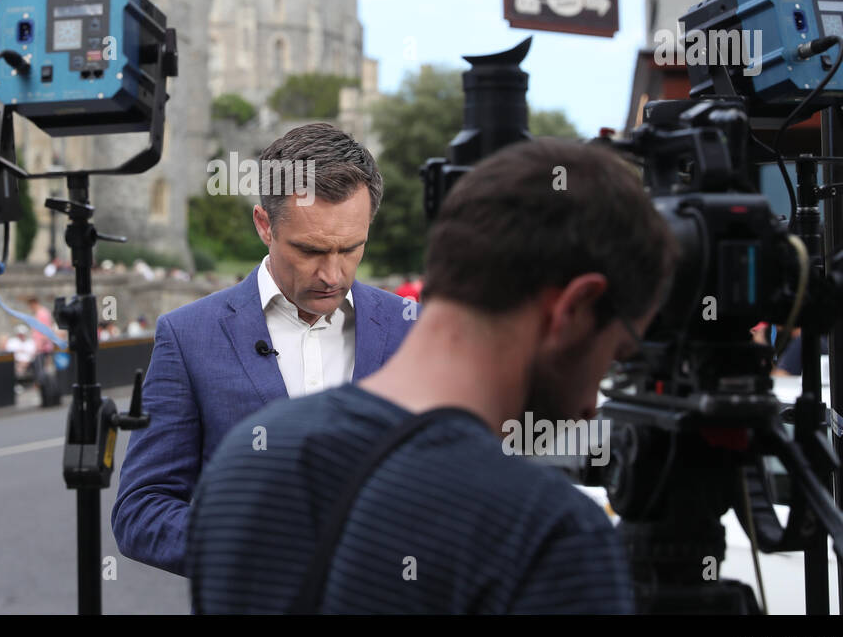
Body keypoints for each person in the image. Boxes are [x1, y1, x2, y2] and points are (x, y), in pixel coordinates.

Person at [186, 138, 678, 613]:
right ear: (572, 311)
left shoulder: (242, 466)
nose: (592, 405)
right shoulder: (551, 535)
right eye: (615, 354)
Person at [113, 122, 412, 576]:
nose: (333, 274)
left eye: (351, 249)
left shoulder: (412, 329)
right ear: (263, 225)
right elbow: (141, 512)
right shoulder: (188, 335)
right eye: (310, 250)